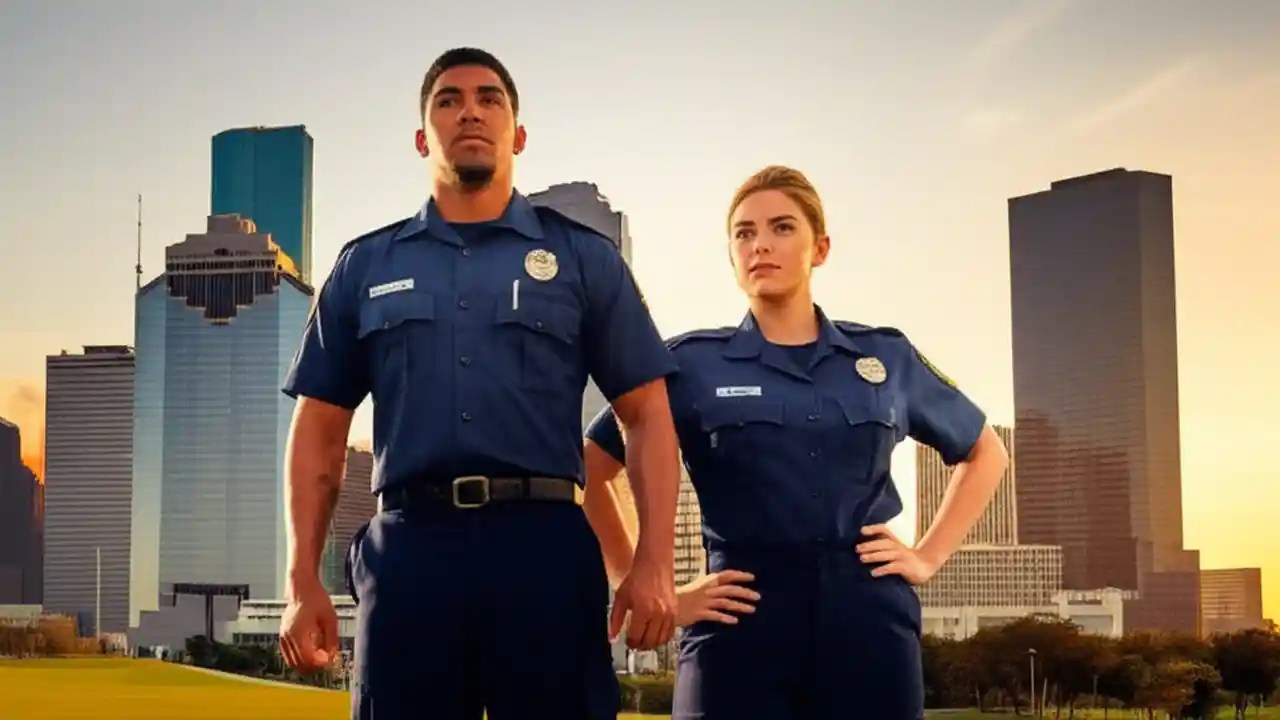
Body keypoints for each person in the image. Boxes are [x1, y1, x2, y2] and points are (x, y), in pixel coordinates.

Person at [277, 47, 683, 720]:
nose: (470, 111)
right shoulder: (364, 266)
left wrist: (654, 562)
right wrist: (300, 579)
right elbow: (319, 432)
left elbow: (647, 414)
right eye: (449, 99)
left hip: (546, 552)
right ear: (421, 137)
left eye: (490, 99)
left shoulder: (585, 259)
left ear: (518, 134)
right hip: (411, 553)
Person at [582, 165, 1010, 719]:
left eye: (782, 228)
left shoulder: (884, 358)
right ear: (731, 255)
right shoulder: (688, 364)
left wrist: (926, 556)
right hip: (738, 619)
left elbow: (986, 452)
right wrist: (641, 581)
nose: (760, 244)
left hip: (867, 620)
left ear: (821, 248)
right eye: (744, 233)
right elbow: (591, 472)